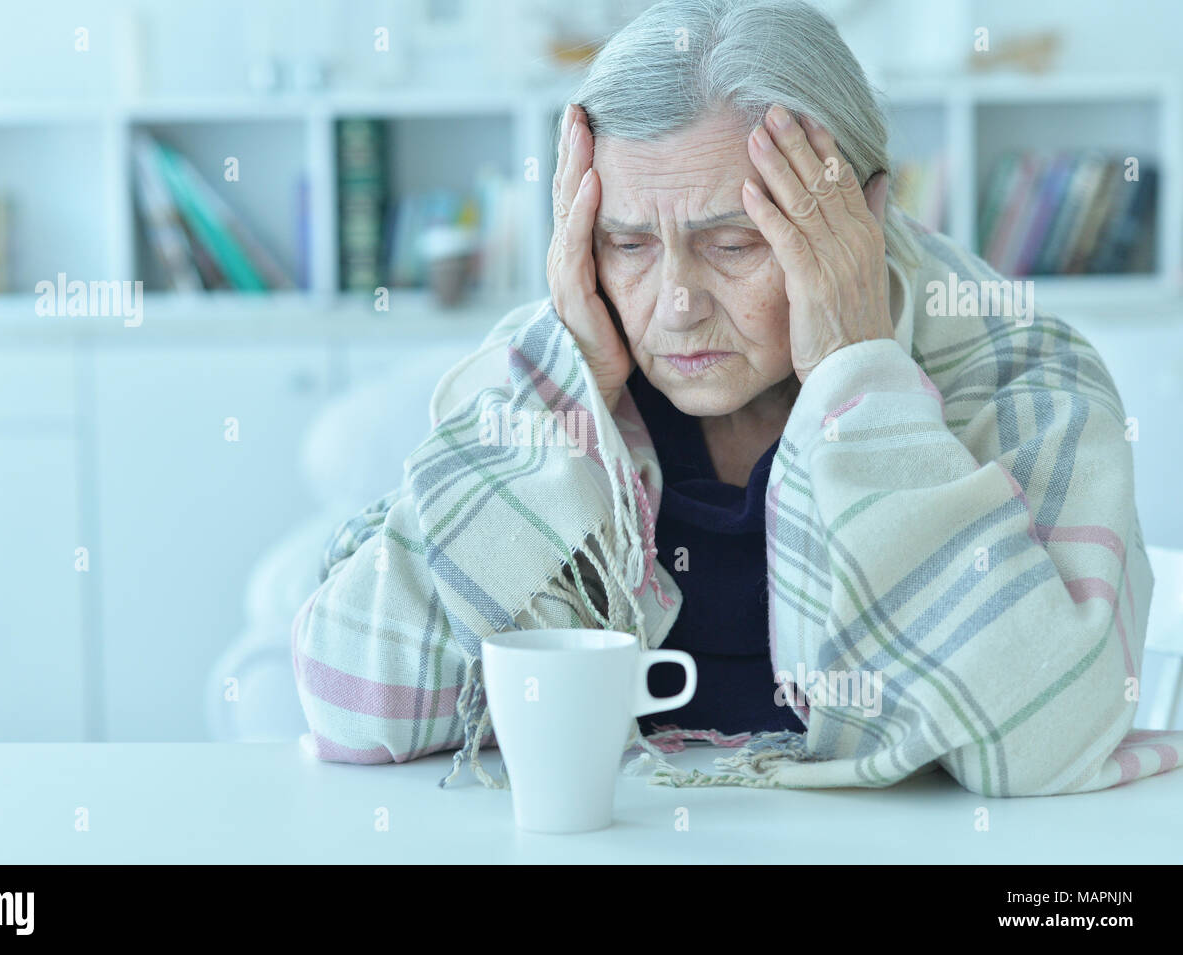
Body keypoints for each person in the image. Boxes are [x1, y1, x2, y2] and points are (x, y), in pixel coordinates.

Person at [292, 0, 1173, 796]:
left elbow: (1049, 745)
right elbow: (354, 704)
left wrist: (859, 376)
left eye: (735, 243)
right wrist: (569, 400)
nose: (675, 305)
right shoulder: (552, 369)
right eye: (628, 242)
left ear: (862, 222)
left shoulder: (1026, 378)